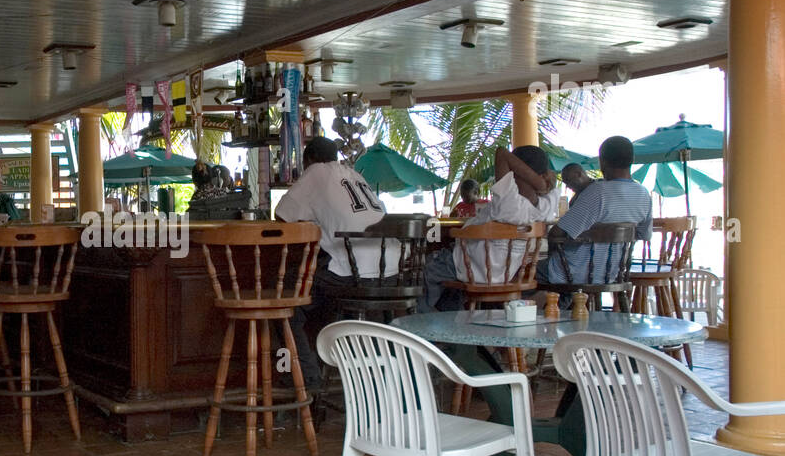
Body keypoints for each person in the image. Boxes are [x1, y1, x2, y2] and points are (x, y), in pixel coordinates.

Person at [274, 136, 396, 389]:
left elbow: (281, 216)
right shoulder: (353, 174)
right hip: (390, 271)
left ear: (309, 160)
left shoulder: (315, 172)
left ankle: (308, 382)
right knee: (319, 284)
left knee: (284, 300)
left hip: (353, 274)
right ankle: (362, 377)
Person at [423, 145, 559, 310]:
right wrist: (540, 182)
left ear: (514, 172)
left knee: (427, 268)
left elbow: (501, 152)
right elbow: (553, 190)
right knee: (452, 285)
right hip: (505, 275)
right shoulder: (545, 207)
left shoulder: (508, 201)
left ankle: (424, 321)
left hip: (469, 269)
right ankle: (452, 314)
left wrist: (536, 181)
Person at [540, 136, 651, 285]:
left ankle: (564, 303)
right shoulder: (644, 194)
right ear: (632, 160)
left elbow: (556, 233)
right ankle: (570, 304)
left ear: (602, 162)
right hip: (612, 274)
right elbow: (643, 234)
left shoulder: (597, 192)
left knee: (521, 275)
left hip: (573, 273)